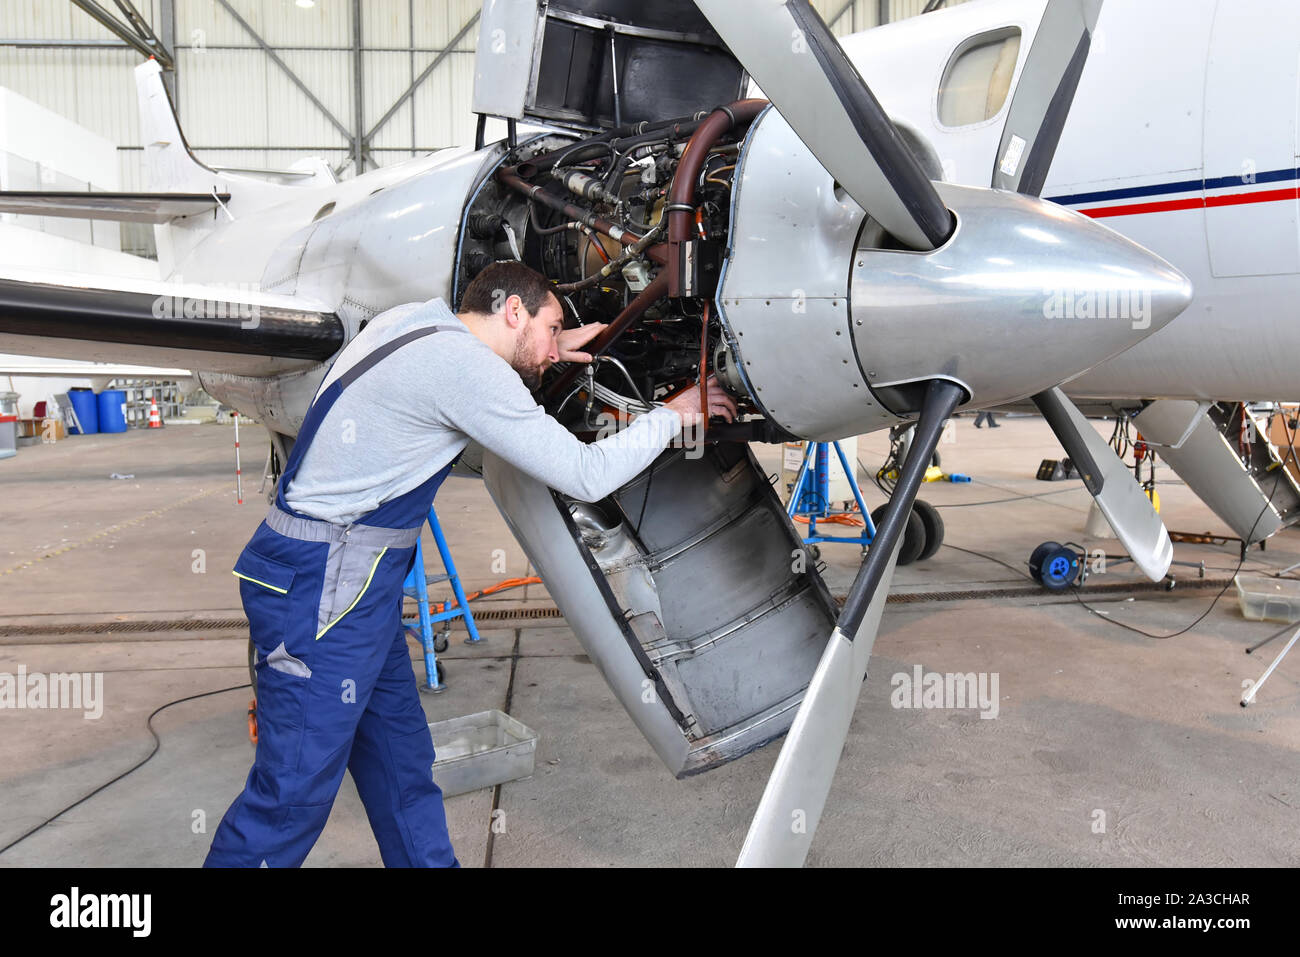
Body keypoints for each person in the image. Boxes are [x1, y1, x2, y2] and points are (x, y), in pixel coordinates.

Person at [205, 261, 736, 867]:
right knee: (291, 797)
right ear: (514, 311)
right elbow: (586, 474)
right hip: (322, 589)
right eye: (551, 325)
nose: (554, 344)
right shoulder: (470, 371)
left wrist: (549, 345)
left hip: (351, 586)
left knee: (402, 770)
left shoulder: (416, 320)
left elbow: (455, 380)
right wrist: (678, 412)